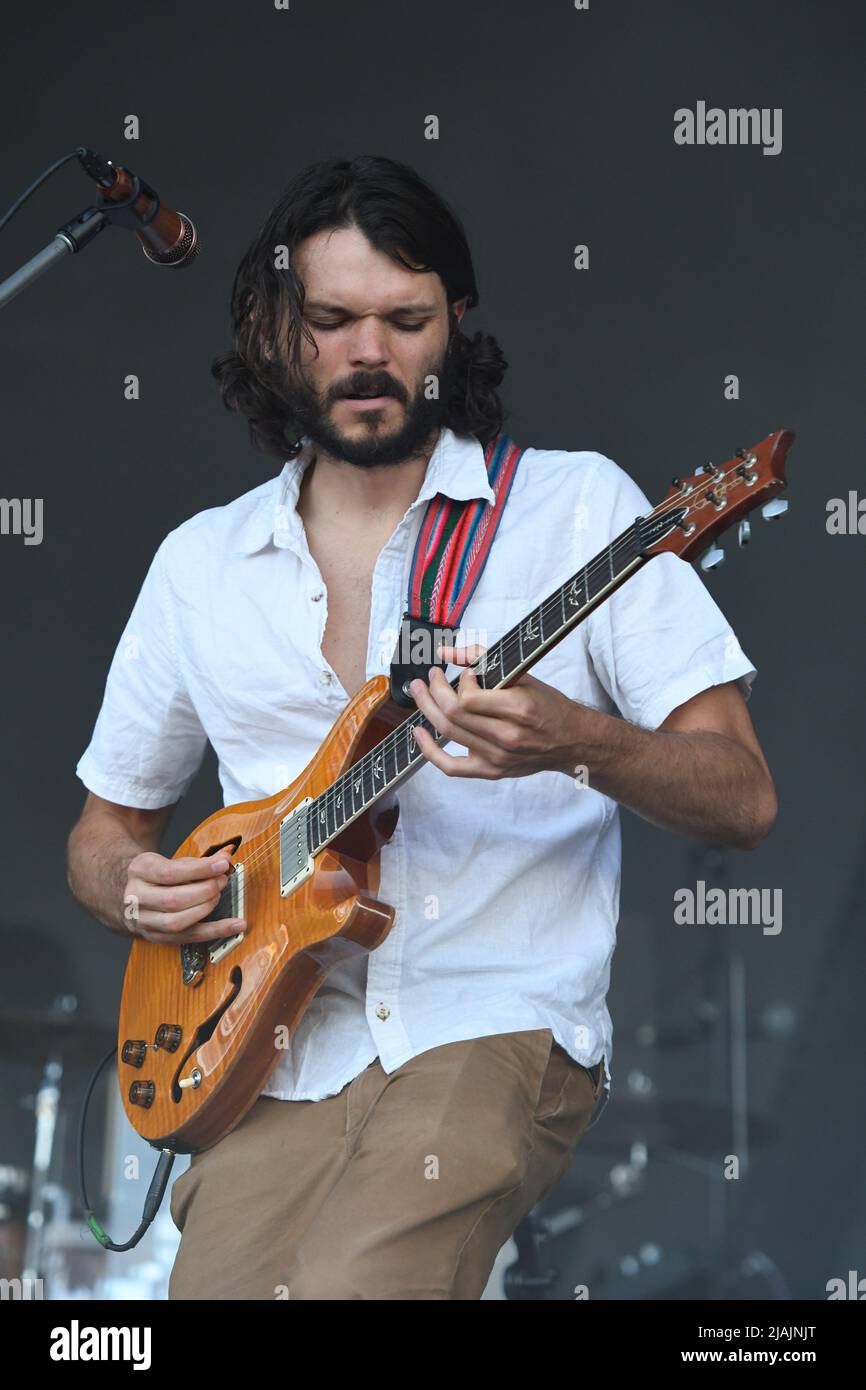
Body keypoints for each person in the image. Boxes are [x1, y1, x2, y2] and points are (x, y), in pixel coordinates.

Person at [67, 154, 777, 1300]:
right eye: (334, 319)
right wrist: (130, 889)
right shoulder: (200, 565)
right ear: (269, 327)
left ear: (454, 327)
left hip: (488, 1021)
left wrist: (573, 740)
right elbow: (104, 830)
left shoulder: (578, 512)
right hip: (266, 1052)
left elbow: (741, 796)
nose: (369, 353)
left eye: (406, 319)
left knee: (359, 1285)